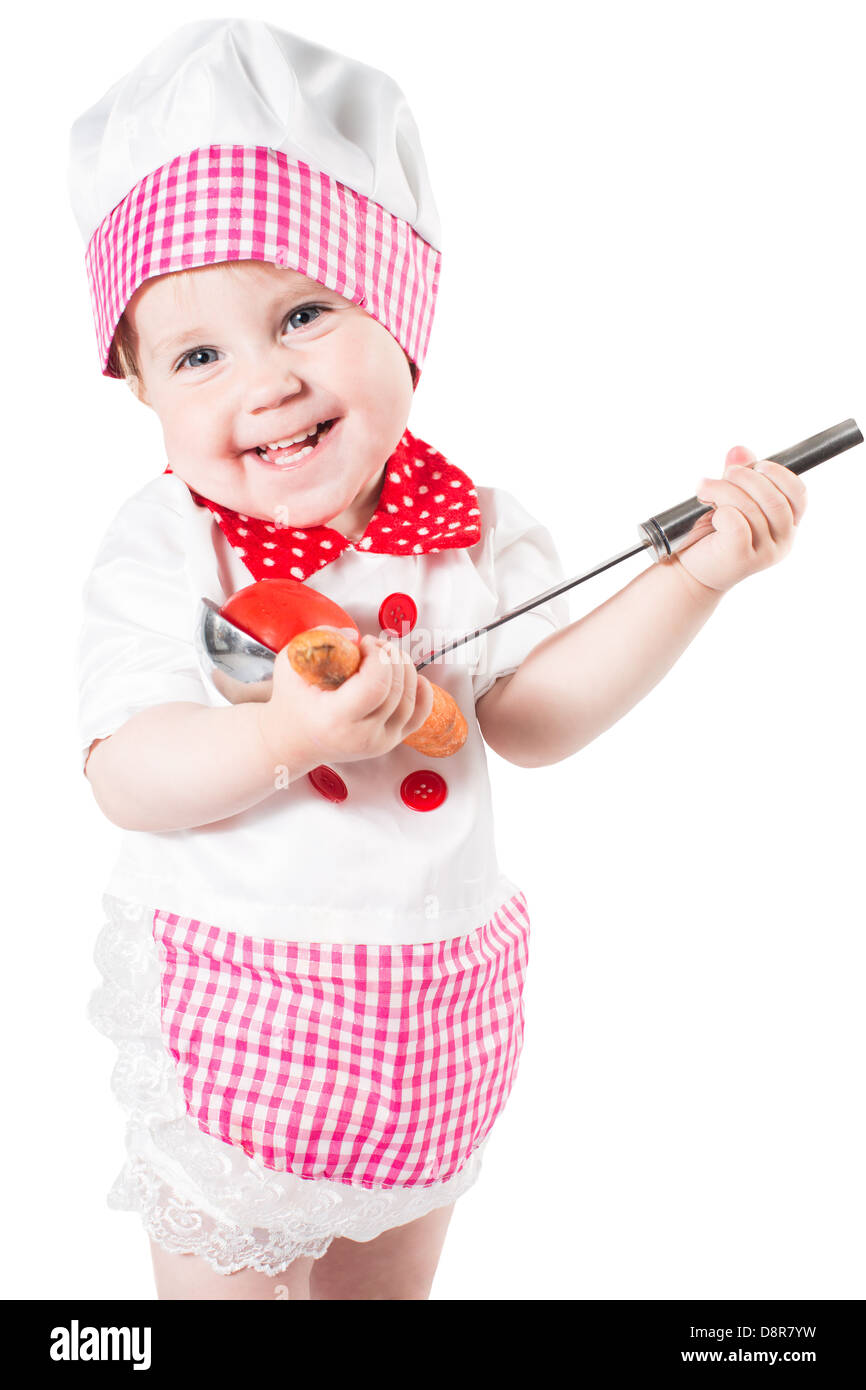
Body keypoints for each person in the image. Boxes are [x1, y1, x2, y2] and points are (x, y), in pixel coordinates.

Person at [70, 19, 807, 1302]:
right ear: (141, 390)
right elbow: (127, 771)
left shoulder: (473, 524)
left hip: (428, 1020)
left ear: (398, 313)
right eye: (198, 354)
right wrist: (278, 738)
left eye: (304, 313)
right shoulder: (166, 544)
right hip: (241, 1002)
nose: (267, 382)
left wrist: (689, 578)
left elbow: (531, 718)